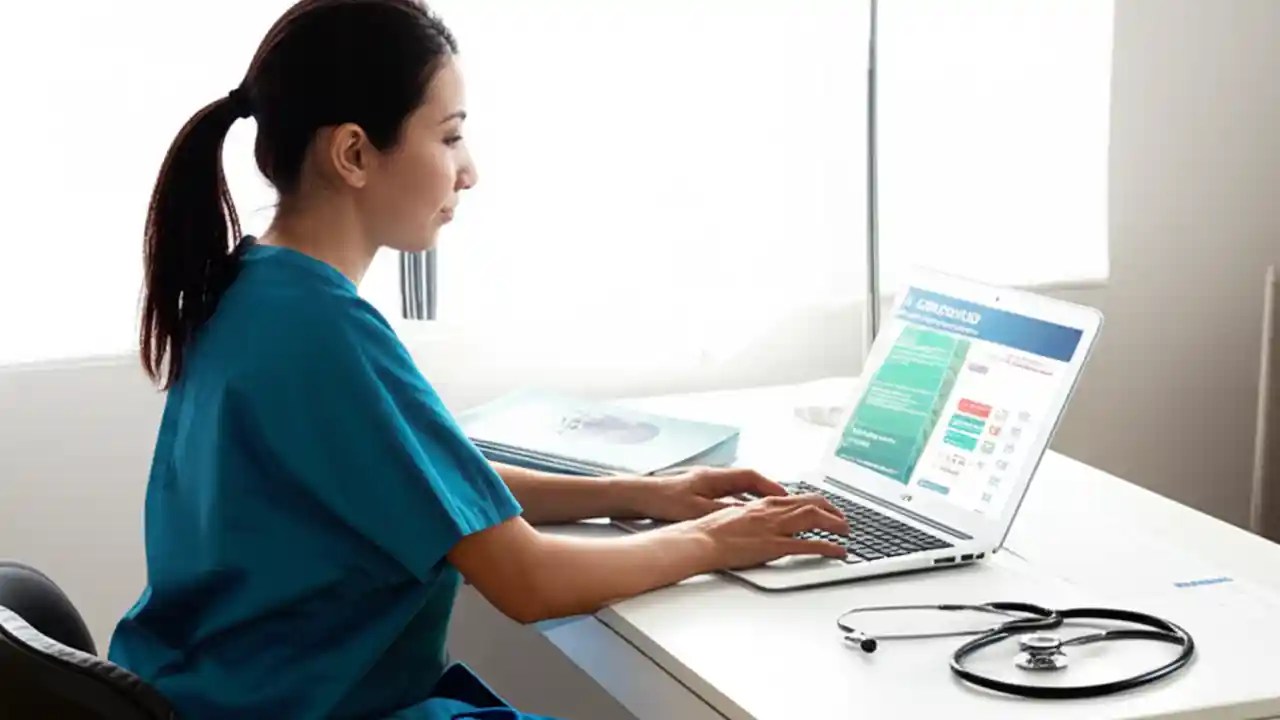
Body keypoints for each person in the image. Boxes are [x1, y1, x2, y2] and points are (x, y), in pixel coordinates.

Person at [107, 1, 850, 717]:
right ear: (354, 154)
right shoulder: (326, 332)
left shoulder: (249, 288)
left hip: (215, 695)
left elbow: (432, 486)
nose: (468, 171)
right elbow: (529, 581)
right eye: (450, 137)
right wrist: (715, 540)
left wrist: (639, 494)